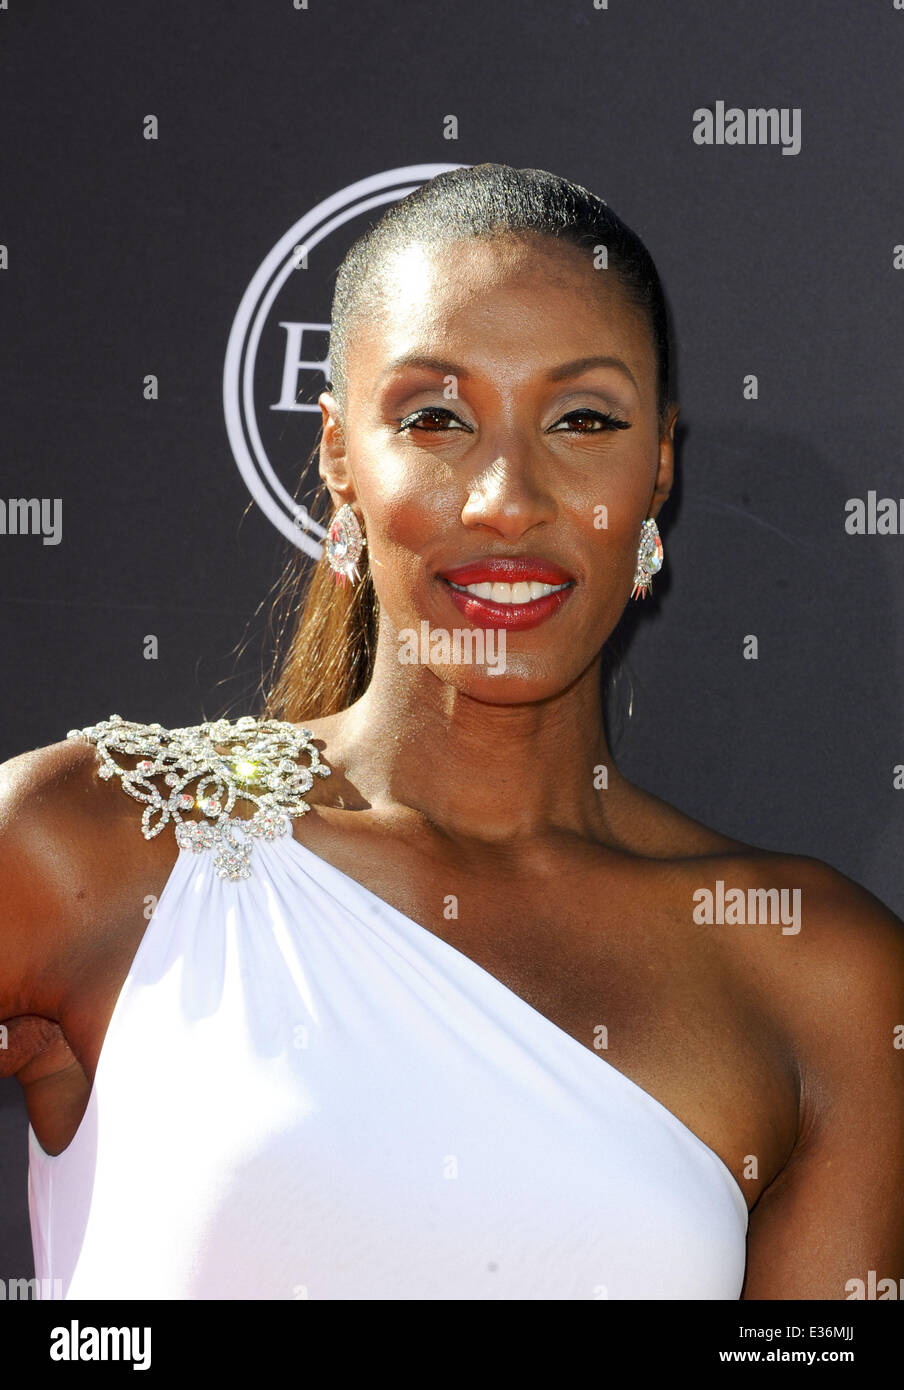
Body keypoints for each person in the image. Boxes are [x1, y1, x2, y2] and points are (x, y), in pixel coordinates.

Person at [2, 163, 903, 1301]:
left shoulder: (814, 971)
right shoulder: (84, 842)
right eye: (435, 417)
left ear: (658, 464)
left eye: (583, 419)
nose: (505, 497)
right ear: (338, 455)